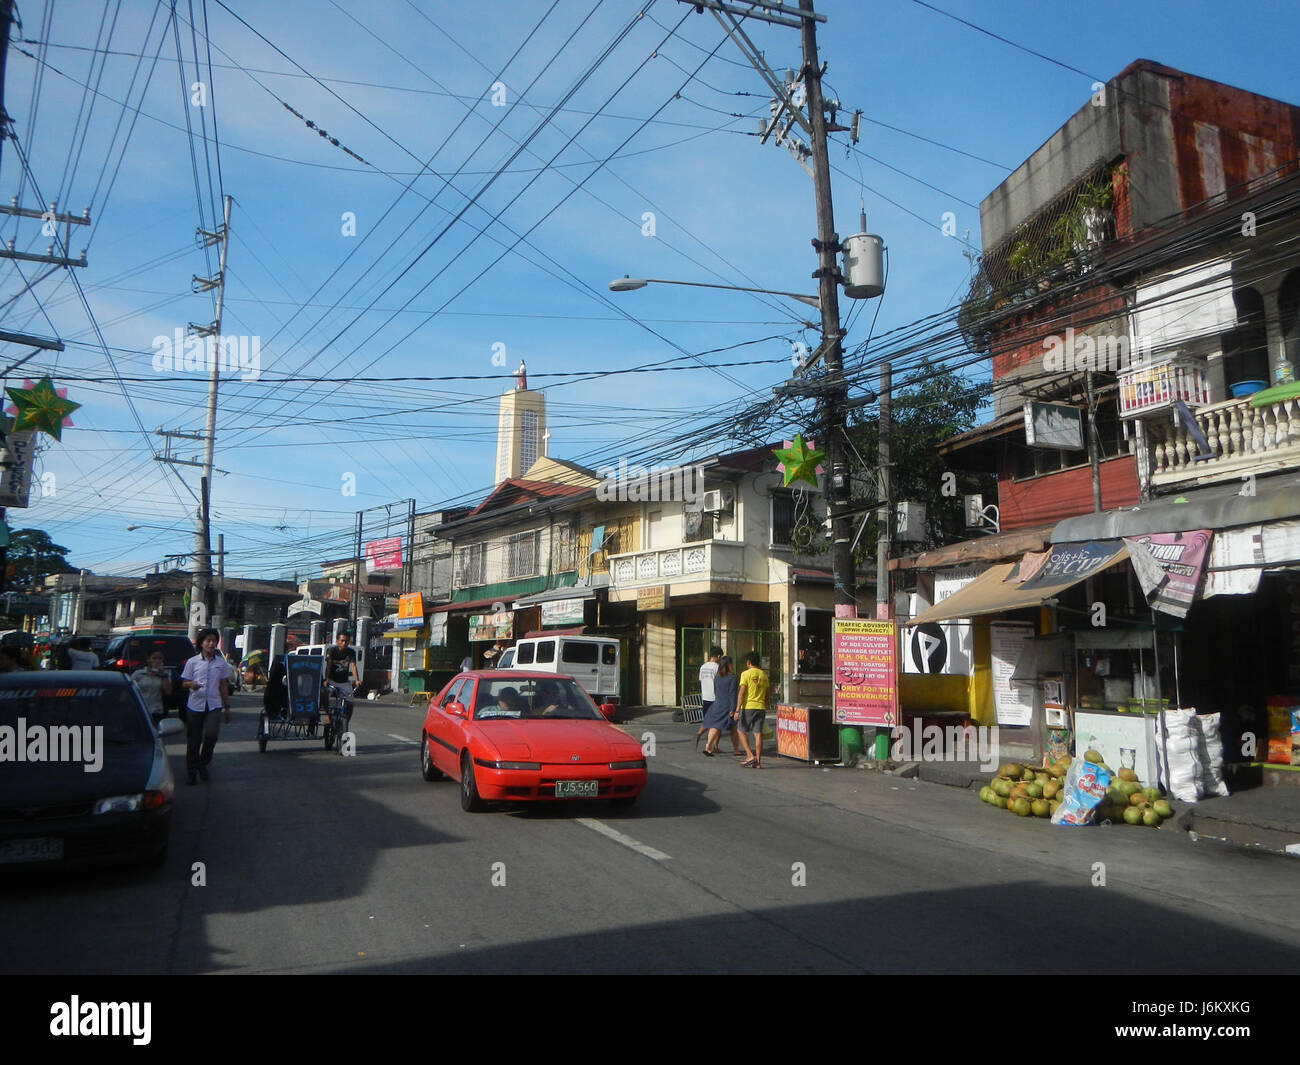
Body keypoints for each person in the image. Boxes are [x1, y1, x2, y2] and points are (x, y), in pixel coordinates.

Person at [180, 627, 233, 785]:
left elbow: (223, 685)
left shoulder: (220, 663)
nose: (211, 644)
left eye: (214, 641)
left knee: (211, 735)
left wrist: (227, 707)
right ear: (202, 643)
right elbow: (183, 683)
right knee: (193, 741)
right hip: (195, 705)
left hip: (214, 705)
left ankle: (202, 764)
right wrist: (191, 684)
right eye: (208, 641)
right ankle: (191, 773)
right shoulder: (192, 662)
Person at [735, 651, 770, 768]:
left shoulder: (745, 674)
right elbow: (767, 695)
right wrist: (764, 705)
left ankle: (750, 755)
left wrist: (737, 710)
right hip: (761, 707)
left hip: (748, 707)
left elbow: (741, 693)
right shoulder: (764, 675)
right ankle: (758, 762)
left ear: (748, 662)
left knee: (740, 730)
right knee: (758, 733)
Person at [702, 656, 742, 756]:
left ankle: (708, 746)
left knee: (715, 726)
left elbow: (715, 691)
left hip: (717, 704)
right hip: (728, 705)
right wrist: (733, 709)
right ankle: (736, 750)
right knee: (733, 729)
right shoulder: (733, 677)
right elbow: (732, 694)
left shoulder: (717, 677)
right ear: (729, 665)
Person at [131, 650, 173, 723]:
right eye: (154, 658)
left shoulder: (165, 675)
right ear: (148, 659)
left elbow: (168, 692)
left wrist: (163, 675)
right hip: (140, 709)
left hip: (156, 710)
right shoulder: (138, 674)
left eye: (160, 659)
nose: (157, 661)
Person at [323, 632, 361, 710]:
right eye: (342, 640)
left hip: (344, 681)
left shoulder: (351, 652)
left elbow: (353, 666)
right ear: (337, 641)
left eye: (346, 641)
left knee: (350, 703)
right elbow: (328, 666)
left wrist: (357, 680)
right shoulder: (331, 650)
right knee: (324, 696)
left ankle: (345, 720)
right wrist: (326, 679)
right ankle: (327, 716)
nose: (344, 643)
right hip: (331, 680)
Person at [695, 645, 723, 749]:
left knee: (708, 720)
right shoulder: (717, 667)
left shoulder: (703, 667)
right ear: (718, 656)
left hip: (705, 697)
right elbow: (720, 683)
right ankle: (714, 746)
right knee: (718, 723)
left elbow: (701, 681)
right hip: (716, 698)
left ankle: (699, 734)